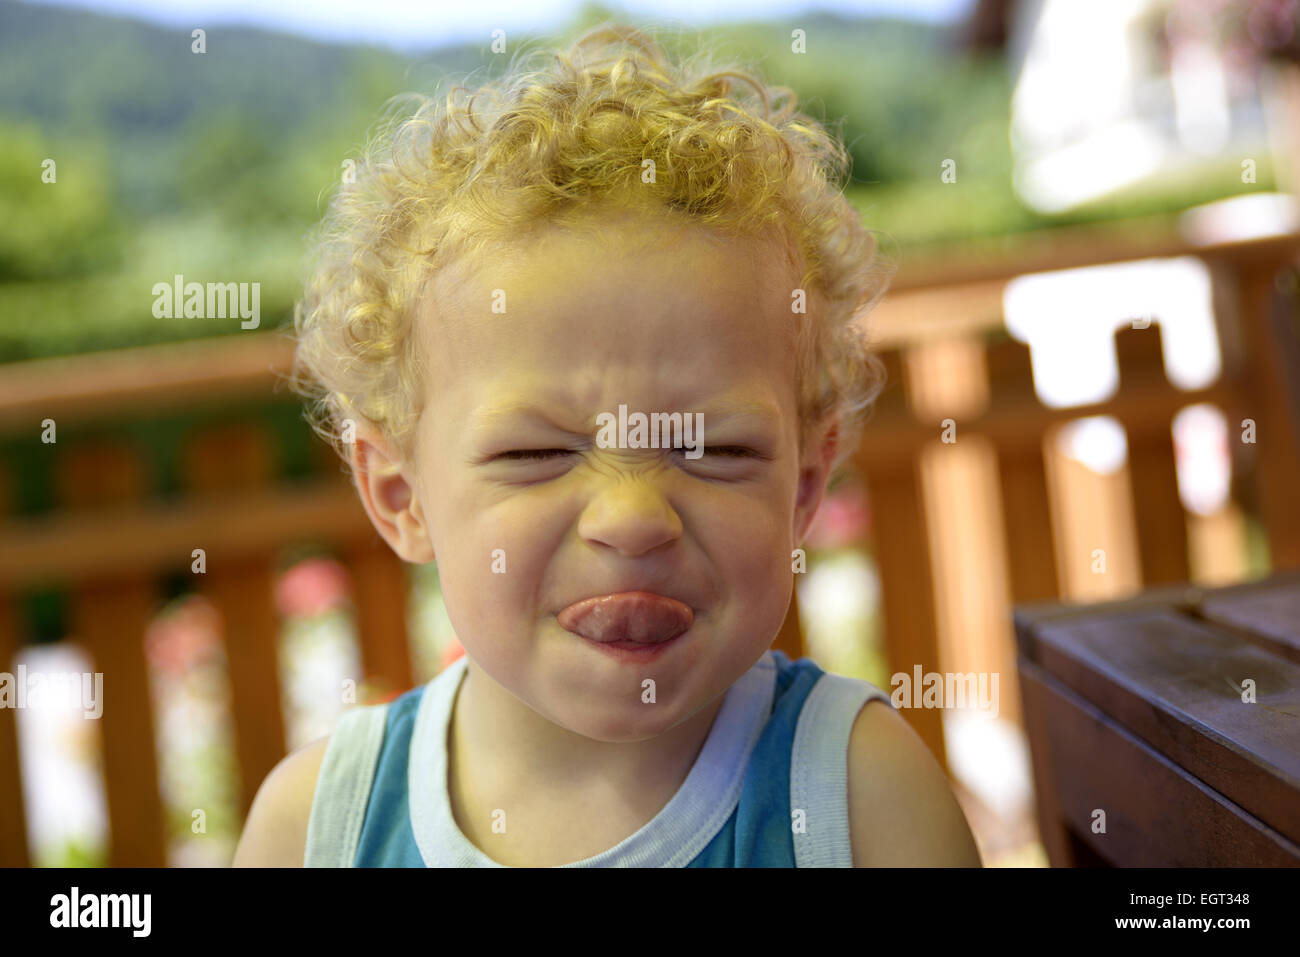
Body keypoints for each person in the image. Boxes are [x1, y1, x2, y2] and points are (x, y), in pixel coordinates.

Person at [233, 22, 981, 868]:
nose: (632, 517)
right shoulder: (320, 828)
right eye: (535, 455)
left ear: (804, 488)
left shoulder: (857, 798)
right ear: (402, 496)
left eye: (713, 448)